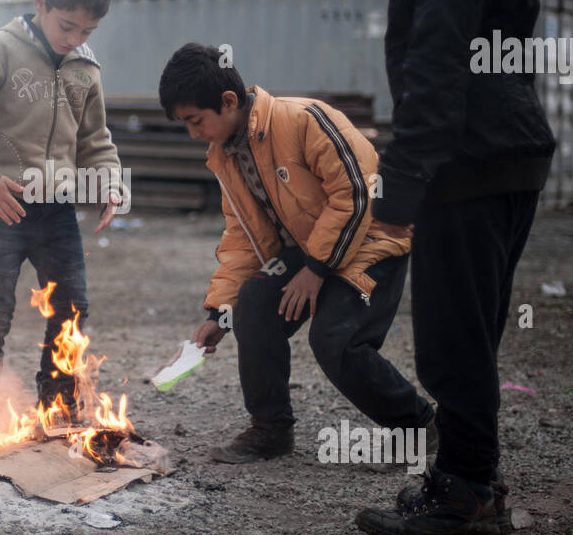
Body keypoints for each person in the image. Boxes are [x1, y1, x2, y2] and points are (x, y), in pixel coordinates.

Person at [354, 0, 556, 535]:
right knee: (474, 333)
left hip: (468, 162)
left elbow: (436, 74)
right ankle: (469, 478)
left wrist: (400, 192)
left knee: (450, 340)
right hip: (512, 155)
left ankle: (466, 496)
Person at [158, 44, 433, 463]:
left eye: (196, 121)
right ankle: (270, 431)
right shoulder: (226, 157)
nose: (194, 135)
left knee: (334, 339)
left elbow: (358, 193)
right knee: (252, 303)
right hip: (310, 251)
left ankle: (418, 426)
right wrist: (219, 314)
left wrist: (317, 270)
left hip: (372, 242)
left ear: (228, 102)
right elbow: (242, 238)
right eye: (185, 126)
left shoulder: (304, 120)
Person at [0, 0, 123, 409]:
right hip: (2, 203)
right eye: (67, 26)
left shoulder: (87, 68)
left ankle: (58, 406)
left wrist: (109, 183)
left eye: (87, 31)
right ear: (40, 2)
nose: (75, 38)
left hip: (57, 208)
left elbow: (95, 138)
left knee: (71, 308)